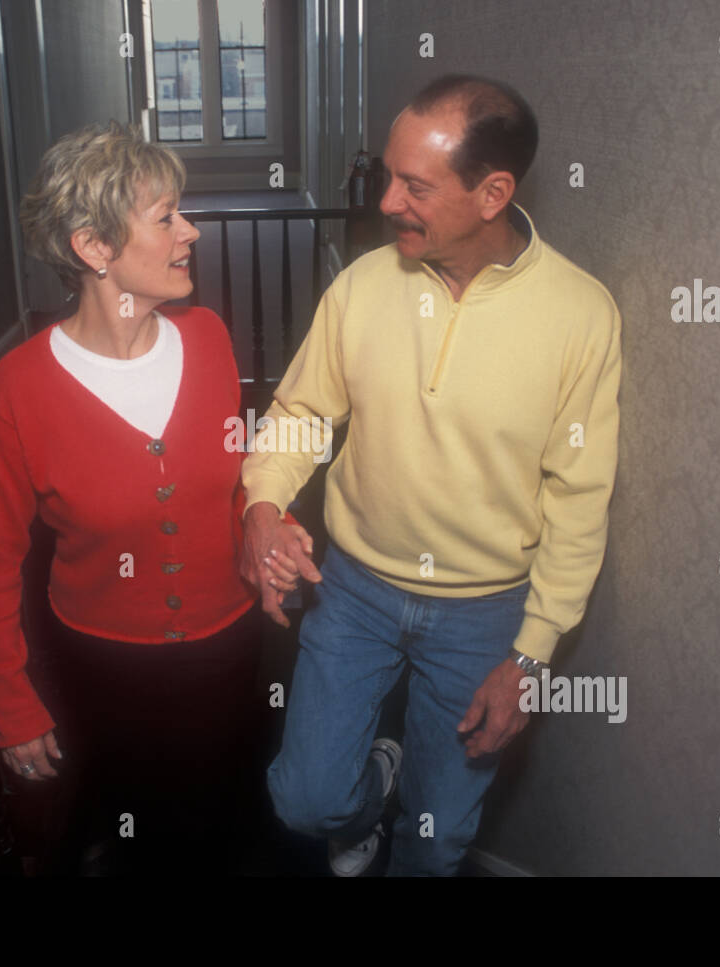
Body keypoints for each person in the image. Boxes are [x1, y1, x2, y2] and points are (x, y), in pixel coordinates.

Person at [241, 75, 623, 876]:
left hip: (486, 616)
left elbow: (579, 498)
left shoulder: (583, 315)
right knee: (305, 801)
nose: (386, 202)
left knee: (436, 842)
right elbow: (302, 411)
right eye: (389, 175)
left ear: (493, 192)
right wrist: (263, 505)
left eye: (414, 185)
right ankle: (371, 787)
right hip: (353, 588)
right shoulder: (361, 287)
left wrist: (530, 656)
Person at [0, 120, 309, 873]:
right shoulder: (19, 388)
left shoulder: (211, 337)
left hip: (228, 642)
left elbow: (234, 469)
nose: (190, 232)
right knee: (135, 828)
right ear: (94, 248)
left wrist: (268, 523)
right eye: (166, 218)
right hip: (100, 663)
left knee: (222, 811)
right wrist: (12, 702)